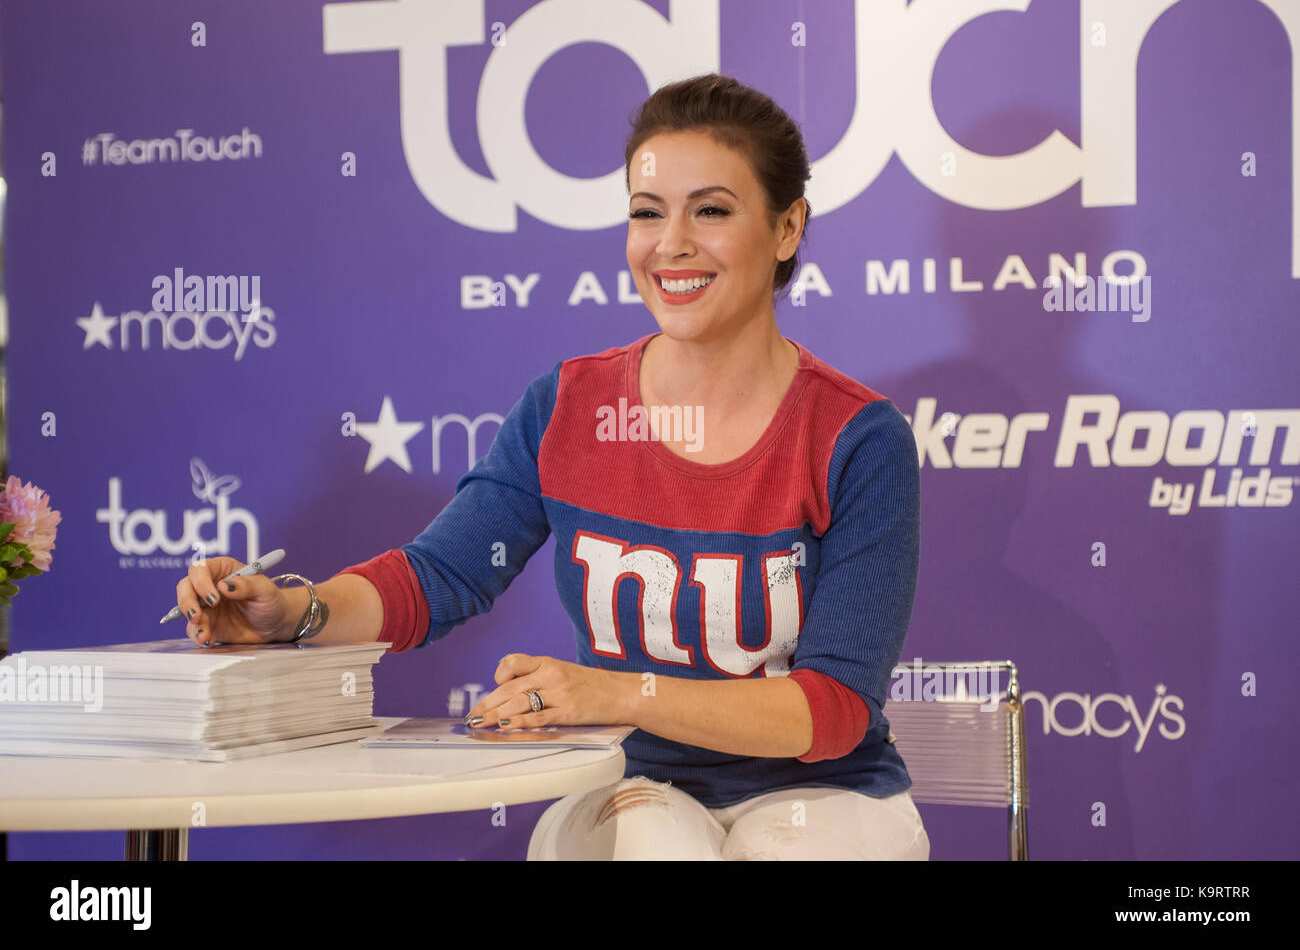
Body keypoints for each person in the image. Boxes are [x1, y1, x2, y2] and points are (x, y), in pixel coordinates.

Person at [174, 74, 928, 861]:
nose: (671, 243)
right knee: (655, 847)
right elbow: (437, 579)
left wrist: (614, 692)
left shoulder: (856, 436)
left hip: (822, 794)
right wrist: (294, 614)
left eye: (711, 210)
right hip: (633, 782)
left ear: (787, 228)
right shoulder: (570, 406)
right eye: (646, 213)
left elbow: (833, 707)